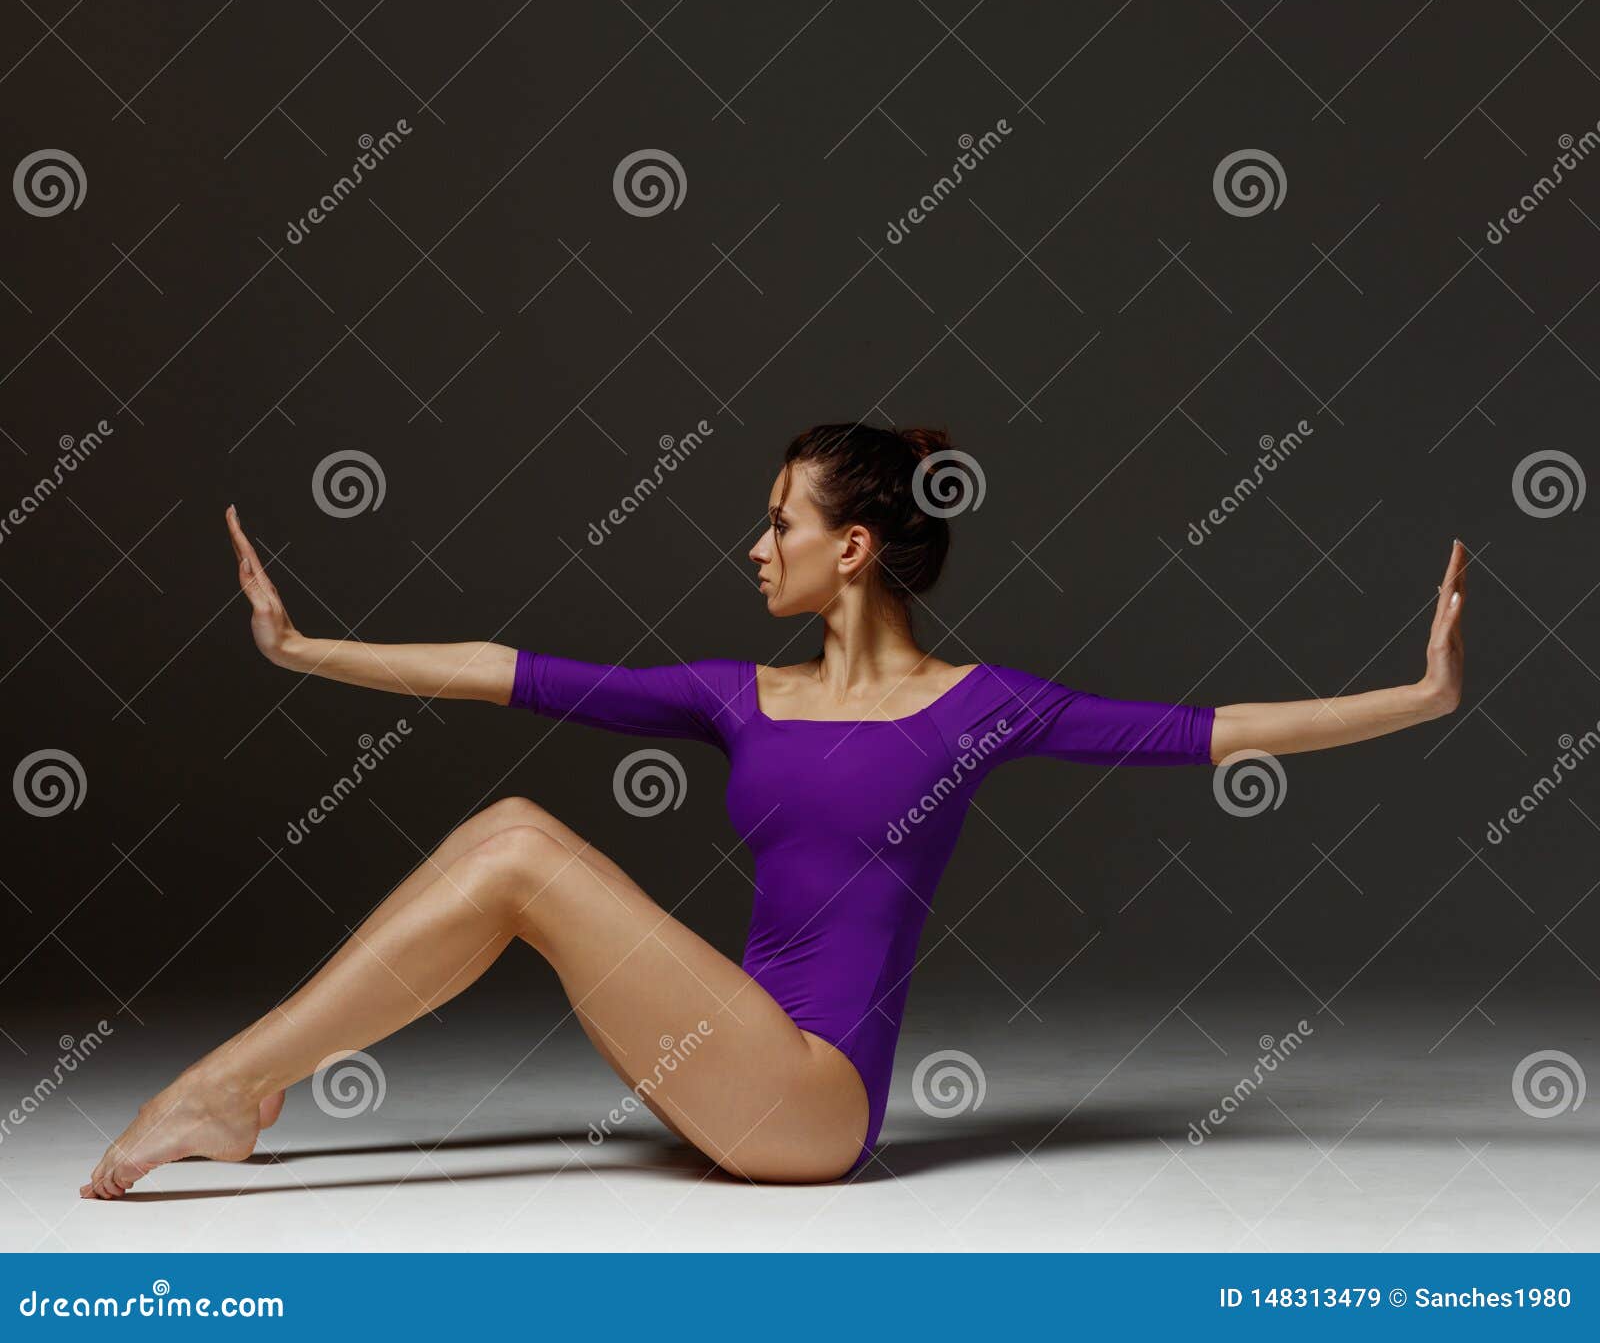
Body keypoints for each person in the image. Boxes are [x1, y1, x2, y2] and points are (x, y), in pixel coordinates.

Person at [81, 423, 1466, 1198]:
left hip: (813, 1110)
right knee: (507, 839)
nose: (754, 546)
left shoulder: (984, 705)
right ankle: (242, 1087)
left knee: (513, 845)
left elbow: (1214, 732)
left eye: (778, 523)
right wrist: (306, 650)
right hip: (724, 1072)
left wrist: (1419, 695)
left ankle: (233, 1089)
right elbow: (510, 670)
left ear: (851, 548)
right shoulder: (740, 692)